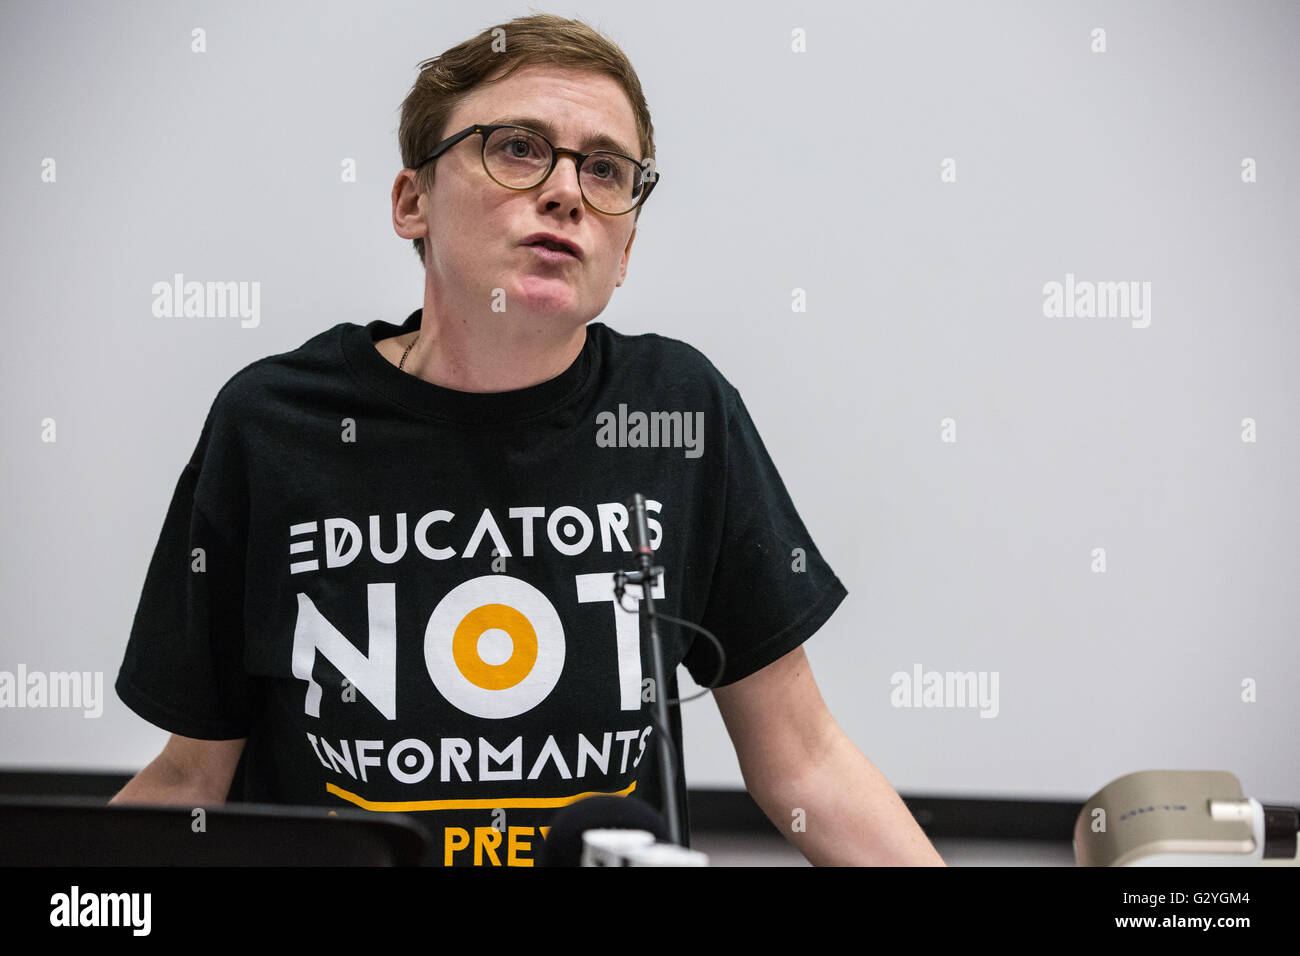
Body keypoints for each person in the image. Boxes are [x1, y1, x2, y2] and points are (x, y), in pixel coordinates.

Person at [111, 12, 945, 868]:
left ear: (625, 249)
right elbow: (191, 778)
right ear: (412, 203)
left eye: (606, 170)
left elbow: (805, 762)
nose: (567, 192)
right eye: (518, 148)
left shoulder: (678, 412)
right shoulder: (274, 424)